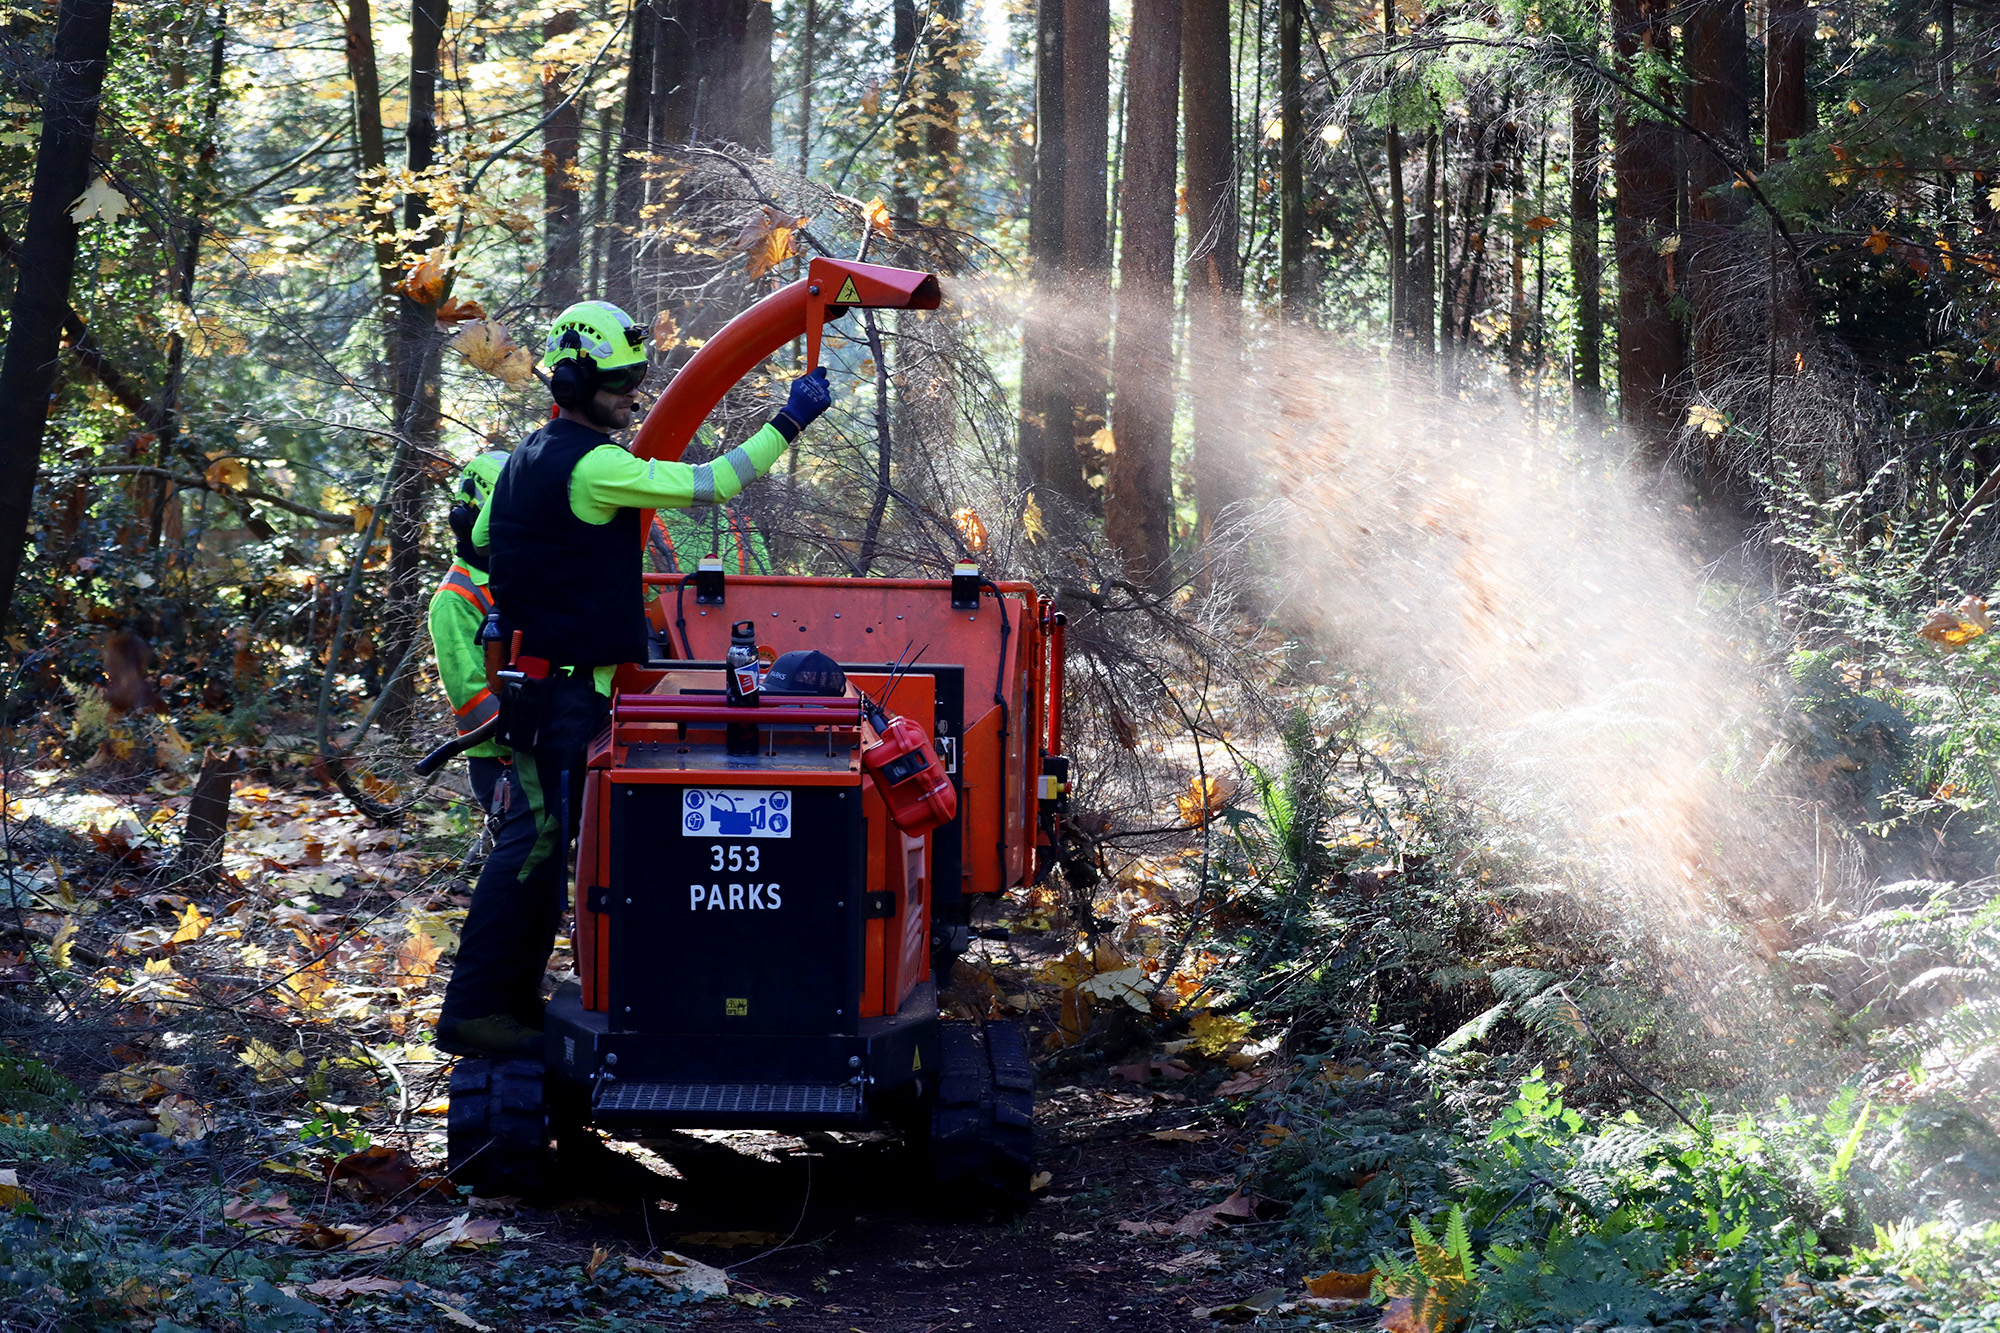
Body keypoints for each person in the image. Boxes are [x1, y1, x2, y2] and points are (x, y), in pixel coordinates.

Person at [434, 300, 833, 1058]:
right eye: (617, 382)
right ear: (576, 378)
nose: (632, 394)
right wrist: (790, 420)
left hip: (533, 685)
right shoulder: (595, 465)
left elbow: (484, 537)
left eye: (636, 380)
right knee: (534, 846)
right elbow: (717, 482)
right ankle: (478, 1007)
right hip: (564, 694)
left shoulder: (523, 458)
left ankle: (507, 1007)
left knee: (545, 848)